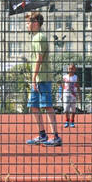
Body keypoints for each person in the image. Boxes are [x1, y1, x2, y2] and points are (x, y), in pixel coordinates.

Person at [25, 12, 60, 146]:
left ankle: (55, 136)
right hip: (37, 78)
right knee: (33, 106)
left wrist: (34, 77)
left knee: (47, 106)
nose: (27, 25)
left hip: (42, 78)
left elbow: (39, 58)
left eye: (28, 22)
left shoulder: (40, 37)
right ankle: (42, 135)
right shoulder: (35, 37)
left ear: (35, 23)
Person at [62, 63, 80, 128]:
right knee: (66, 109)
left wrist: (79, 95)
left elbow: (78, 86)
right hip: (66, 95)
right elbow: (62, 86)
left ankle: (72, 121)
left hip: (73, 95)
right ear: (67, 69)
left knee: (73, 109)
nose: (71, 70)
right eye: (69, 68)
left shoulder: (76, 77)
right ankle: (67, 121)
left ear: (74, 69)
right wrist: (61, 95)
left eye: (72, 68)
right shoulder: (64, 77)